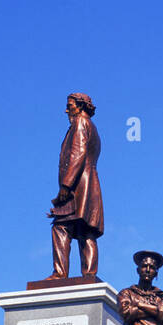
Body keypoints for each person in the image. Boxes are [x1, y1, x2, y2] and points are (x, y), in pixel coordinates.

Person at [44, 92, 103, 280]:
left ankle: (60, 273)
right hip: (89, 184)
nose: (66, 109)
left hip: (78, 185)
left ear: (81, 106)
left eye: (70, 105)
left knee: (61, 225)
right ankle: (89, 275)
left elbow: (78, 154)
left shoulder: (80, 123)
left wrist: (66, 186)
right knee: (86, 230)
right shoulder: (92, 127)